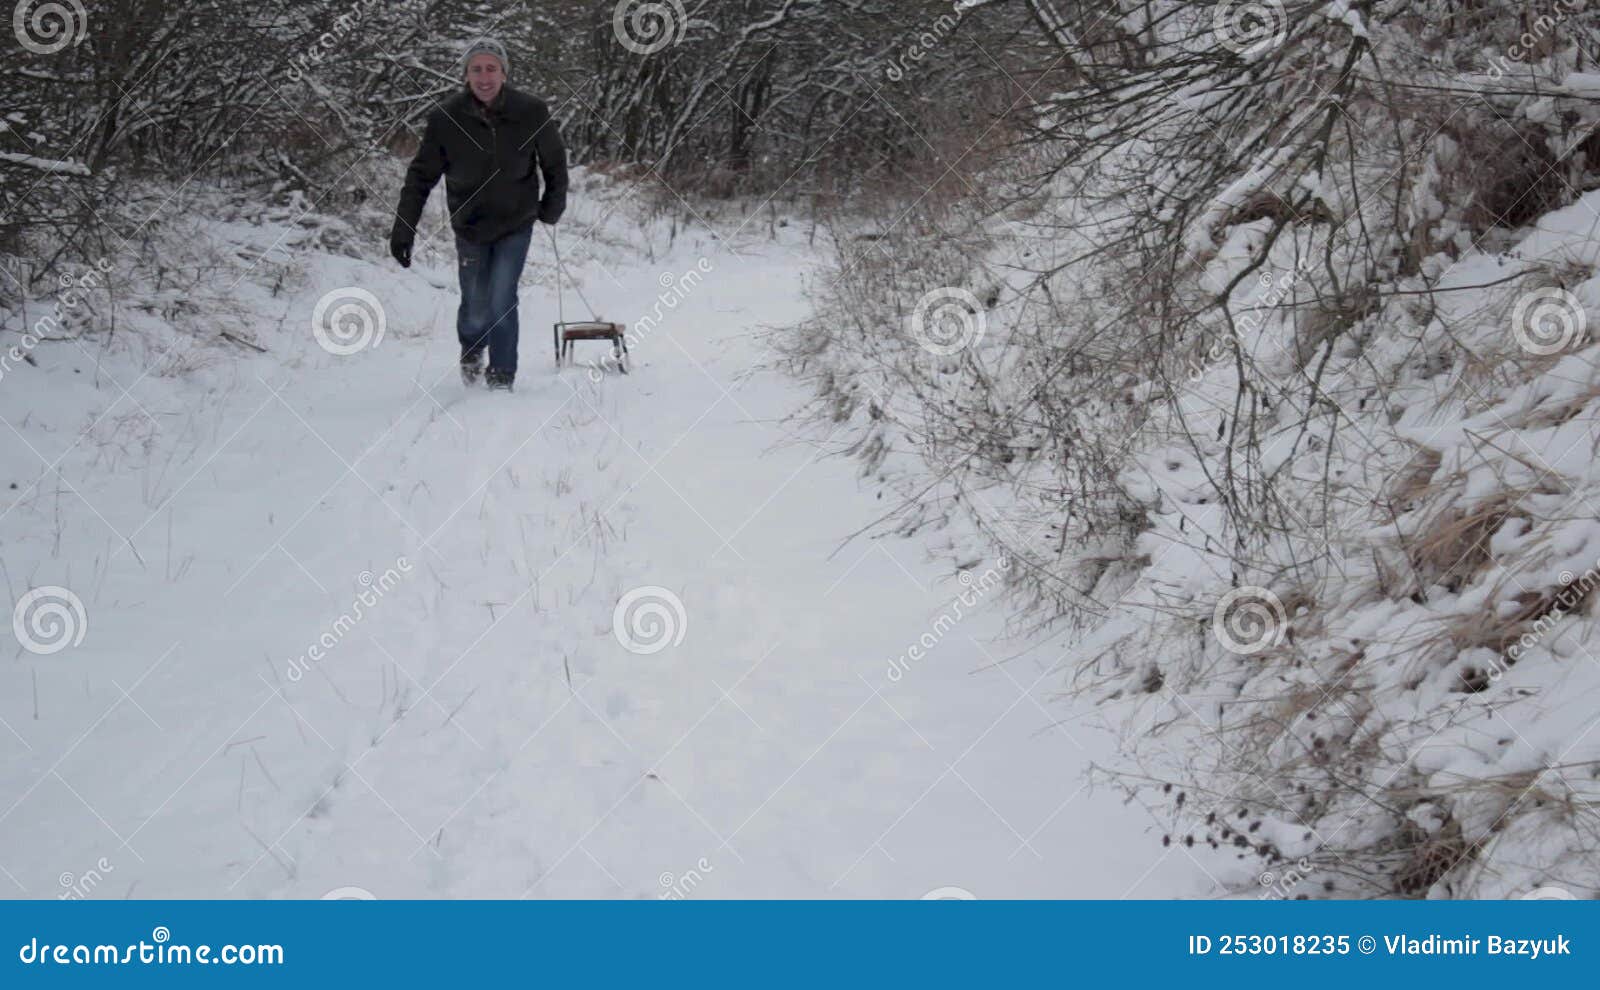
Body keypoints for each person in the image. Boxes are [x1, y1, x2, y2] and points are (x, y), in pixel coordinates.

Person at [389, 37, 568, 391]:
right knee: (474, 305)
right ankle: (472, 350)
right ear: (466, 74)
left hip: (515, 220)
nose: (484, 77)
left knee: (502, 296)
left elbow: (554, 162)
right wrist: (404, 228)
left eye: (491, 69)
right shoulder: (445, 118)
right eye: (476, 70)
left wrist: (552, 205)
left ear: (504, 72)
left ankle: (502, 376)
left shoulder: (530, 111)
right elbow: (421, 177)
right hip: (469, 224)